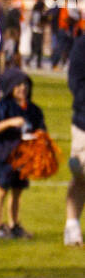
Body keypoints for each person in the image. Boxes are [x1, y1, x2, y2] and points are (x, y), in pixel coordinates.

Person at [0, 68, 45, 238]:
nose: (22, 88)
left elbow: (41, 130)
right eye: (18, 85)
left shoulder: (33, 109)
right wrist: (11, 122)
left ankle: (14, 224)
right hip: (6, 155)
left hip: (24, 156)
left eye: (25, 85)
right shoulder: (3, 106)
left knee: (17, 191)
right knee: (2, 189)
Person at [64, 29, 85, 246]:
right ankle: (72, 225)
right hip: (84, 123)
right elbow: (76, 83)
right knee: (81, 176)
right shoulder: (81, 45)